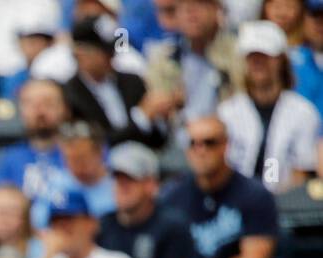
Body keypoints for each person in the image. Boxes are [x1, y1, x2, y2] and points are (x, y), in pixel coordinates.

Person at [166, 114, 277, 258]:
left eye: (209, 143)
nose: (200, 150)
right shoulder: (172, 196)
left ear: (226, 145)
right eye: (193, 143)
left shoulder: (254, 194)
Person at [218, 19, 321, 193]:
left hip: (285, 203)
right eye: (252, 56)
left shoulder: (303, 112)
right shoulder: (227, 112)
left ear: (280, 60)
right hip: (236, 201)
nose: (258, 63)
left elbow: (302, 169)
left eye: (265, 56)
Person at [97, 141, 195, 258]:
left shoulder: (171, 225)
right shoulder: (102, 226)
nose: (121, 187)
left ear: (151, 184)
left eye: (129, 180)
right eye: (116, 179)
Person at [63, 15, 168, 146]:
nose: (113, 57)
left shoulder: (132, 81)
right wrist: (141, 118)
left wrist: (161, 116)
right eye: (106, 52)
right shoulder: (70, 95)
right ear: (80, 54)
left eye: (113, 51)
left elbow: (157, 139)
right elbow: (97, 145)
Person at [145, 0, 244, 130]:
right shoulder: (164, 58)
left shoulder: (238, 52)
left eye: (200, 3)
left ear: (217, 10)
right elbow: (156, 112)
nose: (190, 11)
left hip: (227, 135)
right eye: (183, 5)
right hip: (178, 138)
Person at [0, 78, 70, 203]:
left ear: (65, 109)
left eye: (48, 103)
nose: (40, 112)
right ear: (20, 110)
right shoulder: (8, 159)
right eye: (31, 104)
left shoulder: (84, 152)